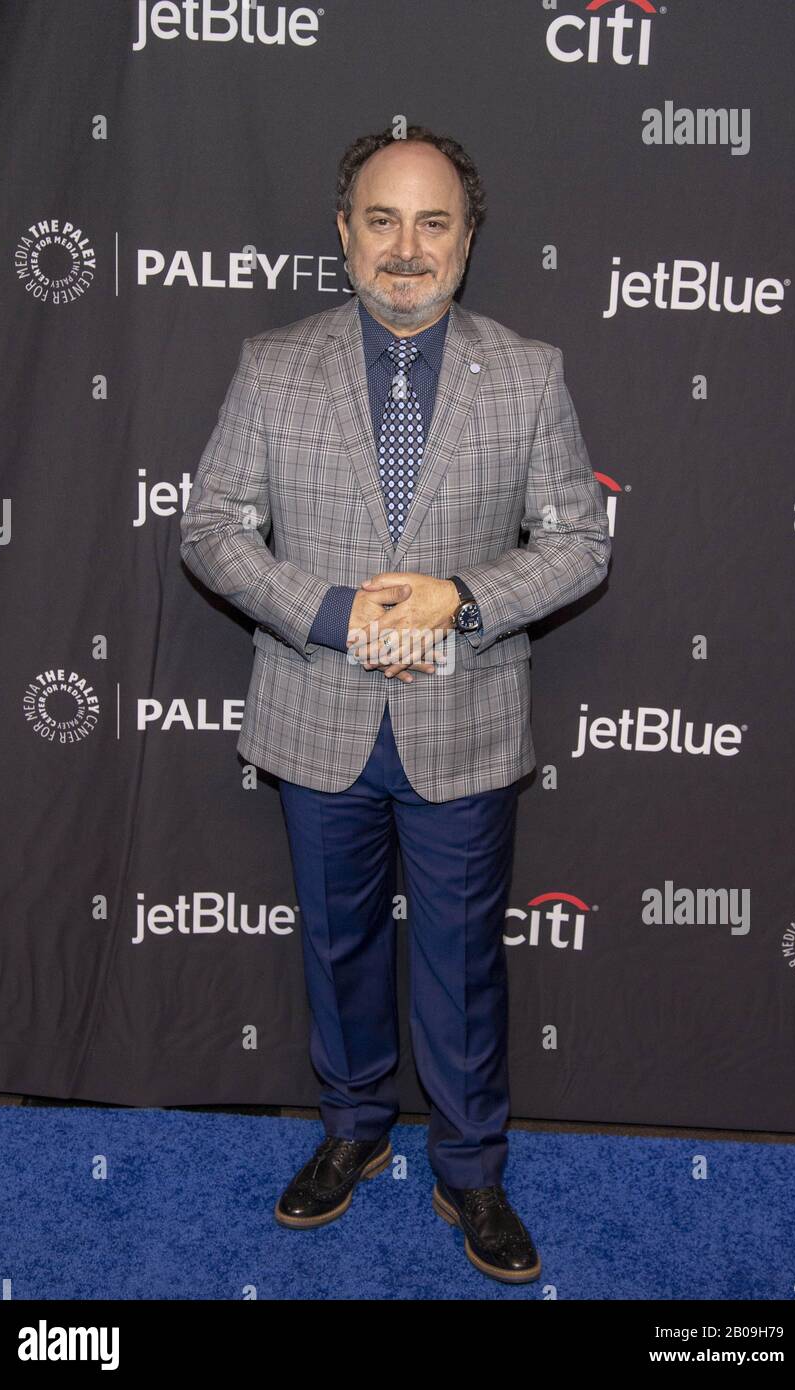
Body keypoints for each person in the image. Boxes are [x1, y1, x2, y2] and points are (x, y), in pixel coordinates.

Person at [180, 124, 611, 1284]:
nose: (405, 249)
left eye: (432, 223)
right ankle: (353, 1134)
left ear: (468, 241)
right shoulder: (274, 364)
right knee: (335, 946)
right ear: (342, 233)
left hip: (463, 723)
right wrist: (330, 613)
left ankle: (468, 1170)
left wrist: (459, 595)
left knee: (463, 961)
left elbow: (577, 546)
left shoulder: (527, 371)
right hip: (314, 712)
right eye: (381, 220)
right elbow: (211, 528)